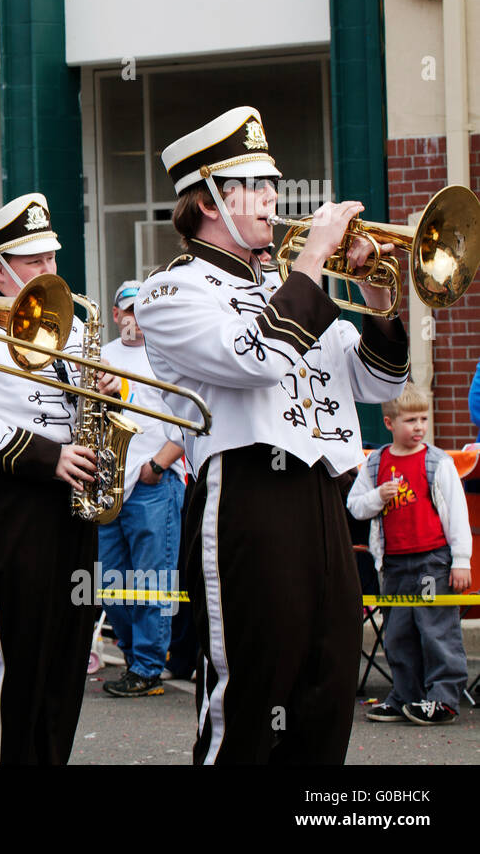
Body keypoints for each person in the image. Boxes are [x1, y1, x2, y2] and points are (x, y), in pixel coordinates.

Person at [135, 107, 409, 763]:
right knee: (254, 696)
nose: (272, 201)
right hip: (247, 495)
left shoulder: (294, 284)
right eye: (253, 187)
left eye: (271, 185)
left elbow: (381, 384)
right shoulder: (172, 290)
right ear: (206, 202)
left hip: (324, 496)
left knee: (327, 686)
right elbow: (254, 357)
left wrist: (377, 298)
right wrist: (314, 257)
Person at [0, 193, 109, 765]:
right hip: (10, 507)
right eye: (35, 261)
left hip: (73, 505)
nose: (50, 271)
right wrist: (48, 457)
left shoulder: (69, 320)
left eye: (51, 259)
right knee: (16, 658)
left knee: (67, 658)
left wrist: (106, 398)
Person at [348, 383, 471, 724]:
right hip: (394, 563)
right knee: (398, 632)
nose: (418, 426)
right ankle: (406, 695)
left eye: (423, 418)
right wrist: (378, 498)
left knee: (436, 630)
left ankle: (443, 698)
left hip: (432, 559)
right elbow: (355, 506)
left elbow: (456, 514)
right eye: (410, 420)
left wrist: (460, 561)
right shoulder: (376, 465)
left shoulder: (437, 462)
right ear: (388, 423)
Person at [97, 280, 186, 697]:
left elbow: (190, 420)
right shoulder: (102, 356)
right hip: (110, 481)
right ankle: (133, 659)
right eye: (128, 311)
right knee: (113, 582)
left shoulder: (169, 353)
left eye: (142, 311)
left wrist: (157, 465)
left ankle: (150, 666)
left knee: (153, 580)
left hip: (153, 481)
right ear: (117, 315)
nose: (135, 319)